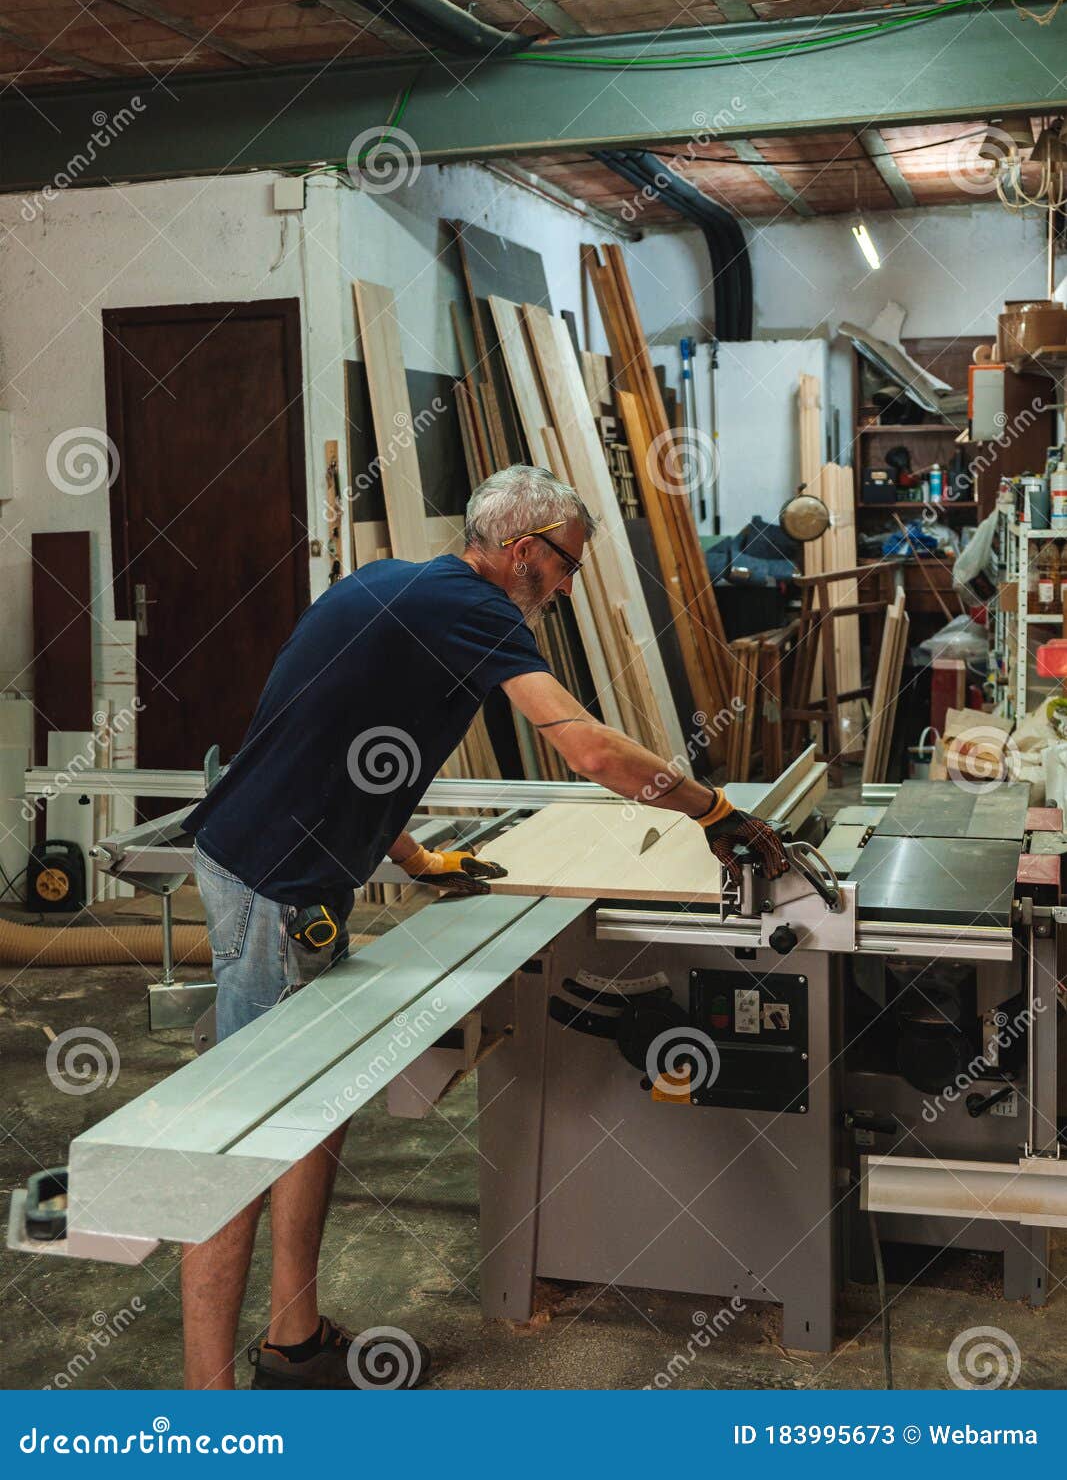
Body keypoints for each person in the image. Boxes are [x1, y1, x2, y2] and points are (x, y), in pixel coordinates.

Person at [182, 465, 789, 1389]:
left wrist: (419, 860)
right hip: (271, 884)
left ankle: (292, 1342)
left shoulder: (391, 586)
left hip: (297, 880)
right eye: (566, 565)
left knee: (312, 1110)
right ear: (521, 551)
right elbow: (585, 745)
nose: (570, 584)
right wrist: (713, 813)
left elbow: (348, 744)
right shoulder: (477, 610)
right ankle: (206, 1414)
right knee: (246, 1138)